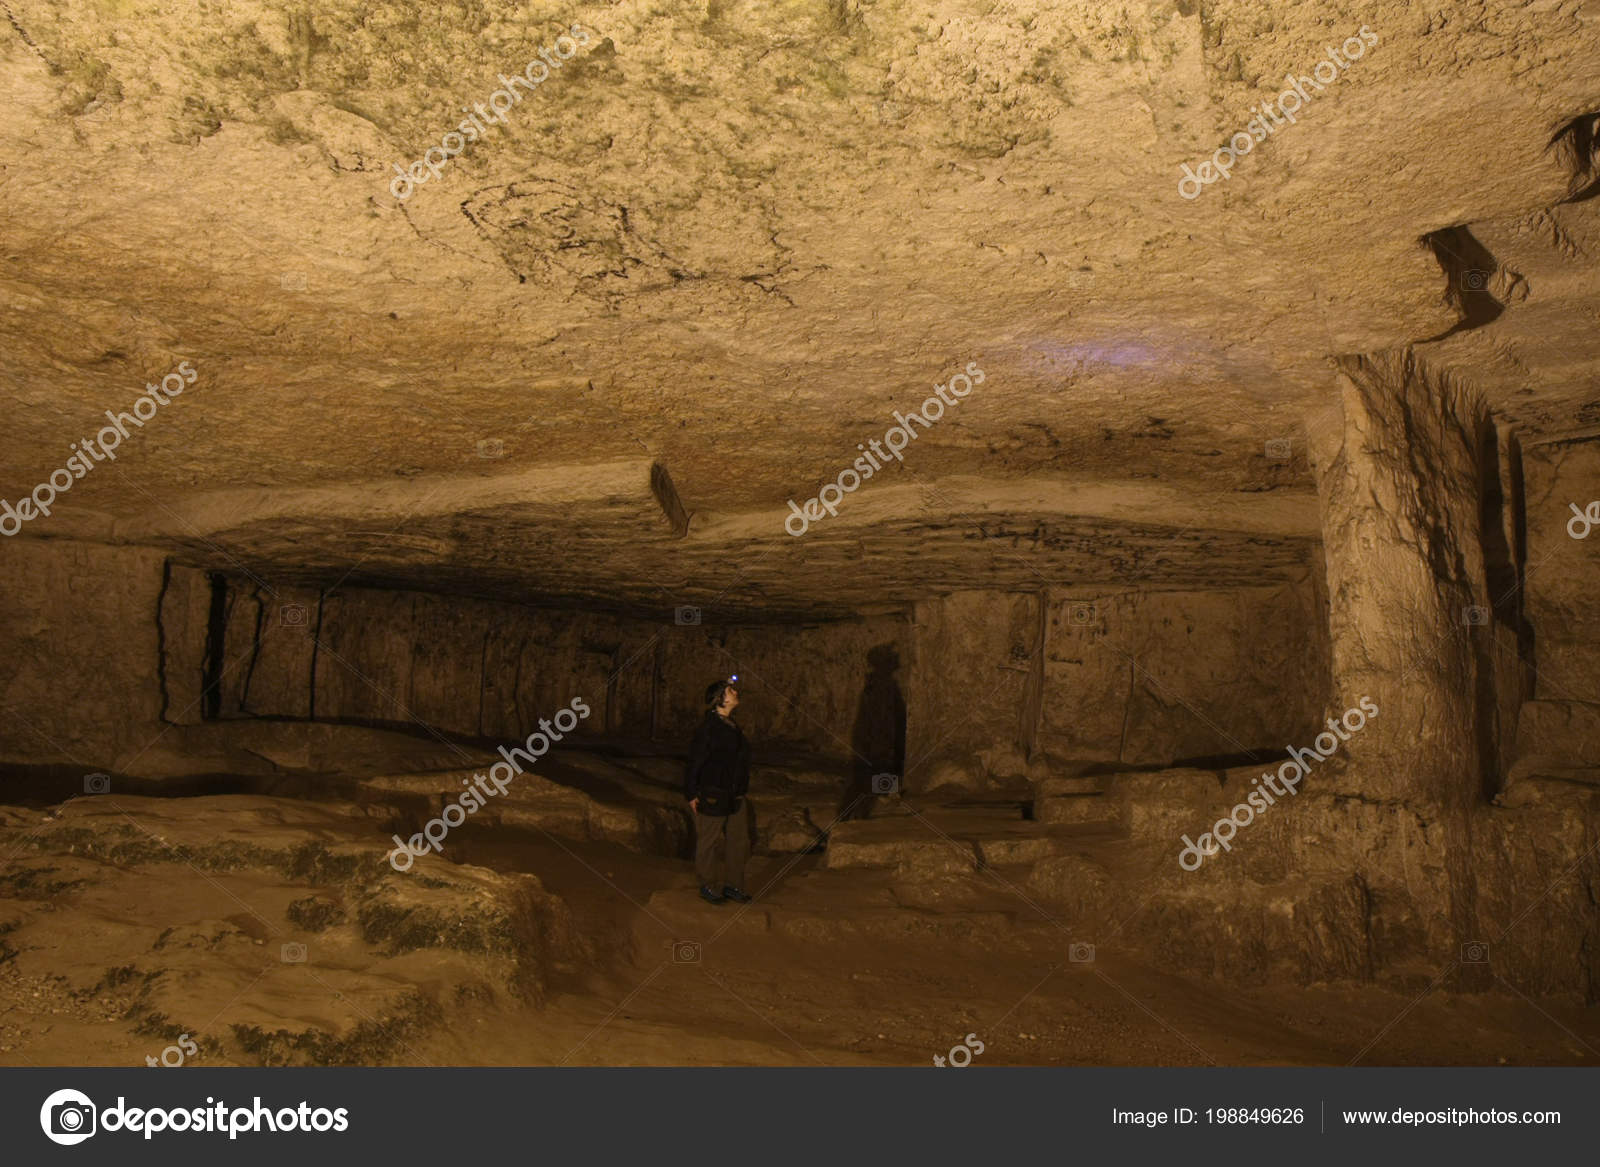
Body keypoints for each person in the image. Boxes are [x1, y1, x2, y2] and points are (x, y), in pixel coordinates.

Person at [684, 677, 753, 904]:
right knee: (708, 842)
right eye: (729, 690)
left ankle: (733, 885)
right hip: (714, 792)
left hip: (735, 794)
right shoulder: (709, 729)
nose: (735, 692)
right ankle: (708, 885)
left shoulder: (731, 726)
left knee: (738, 842)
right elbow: (695, 762)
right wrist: (692, 793)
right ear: (719, 700)